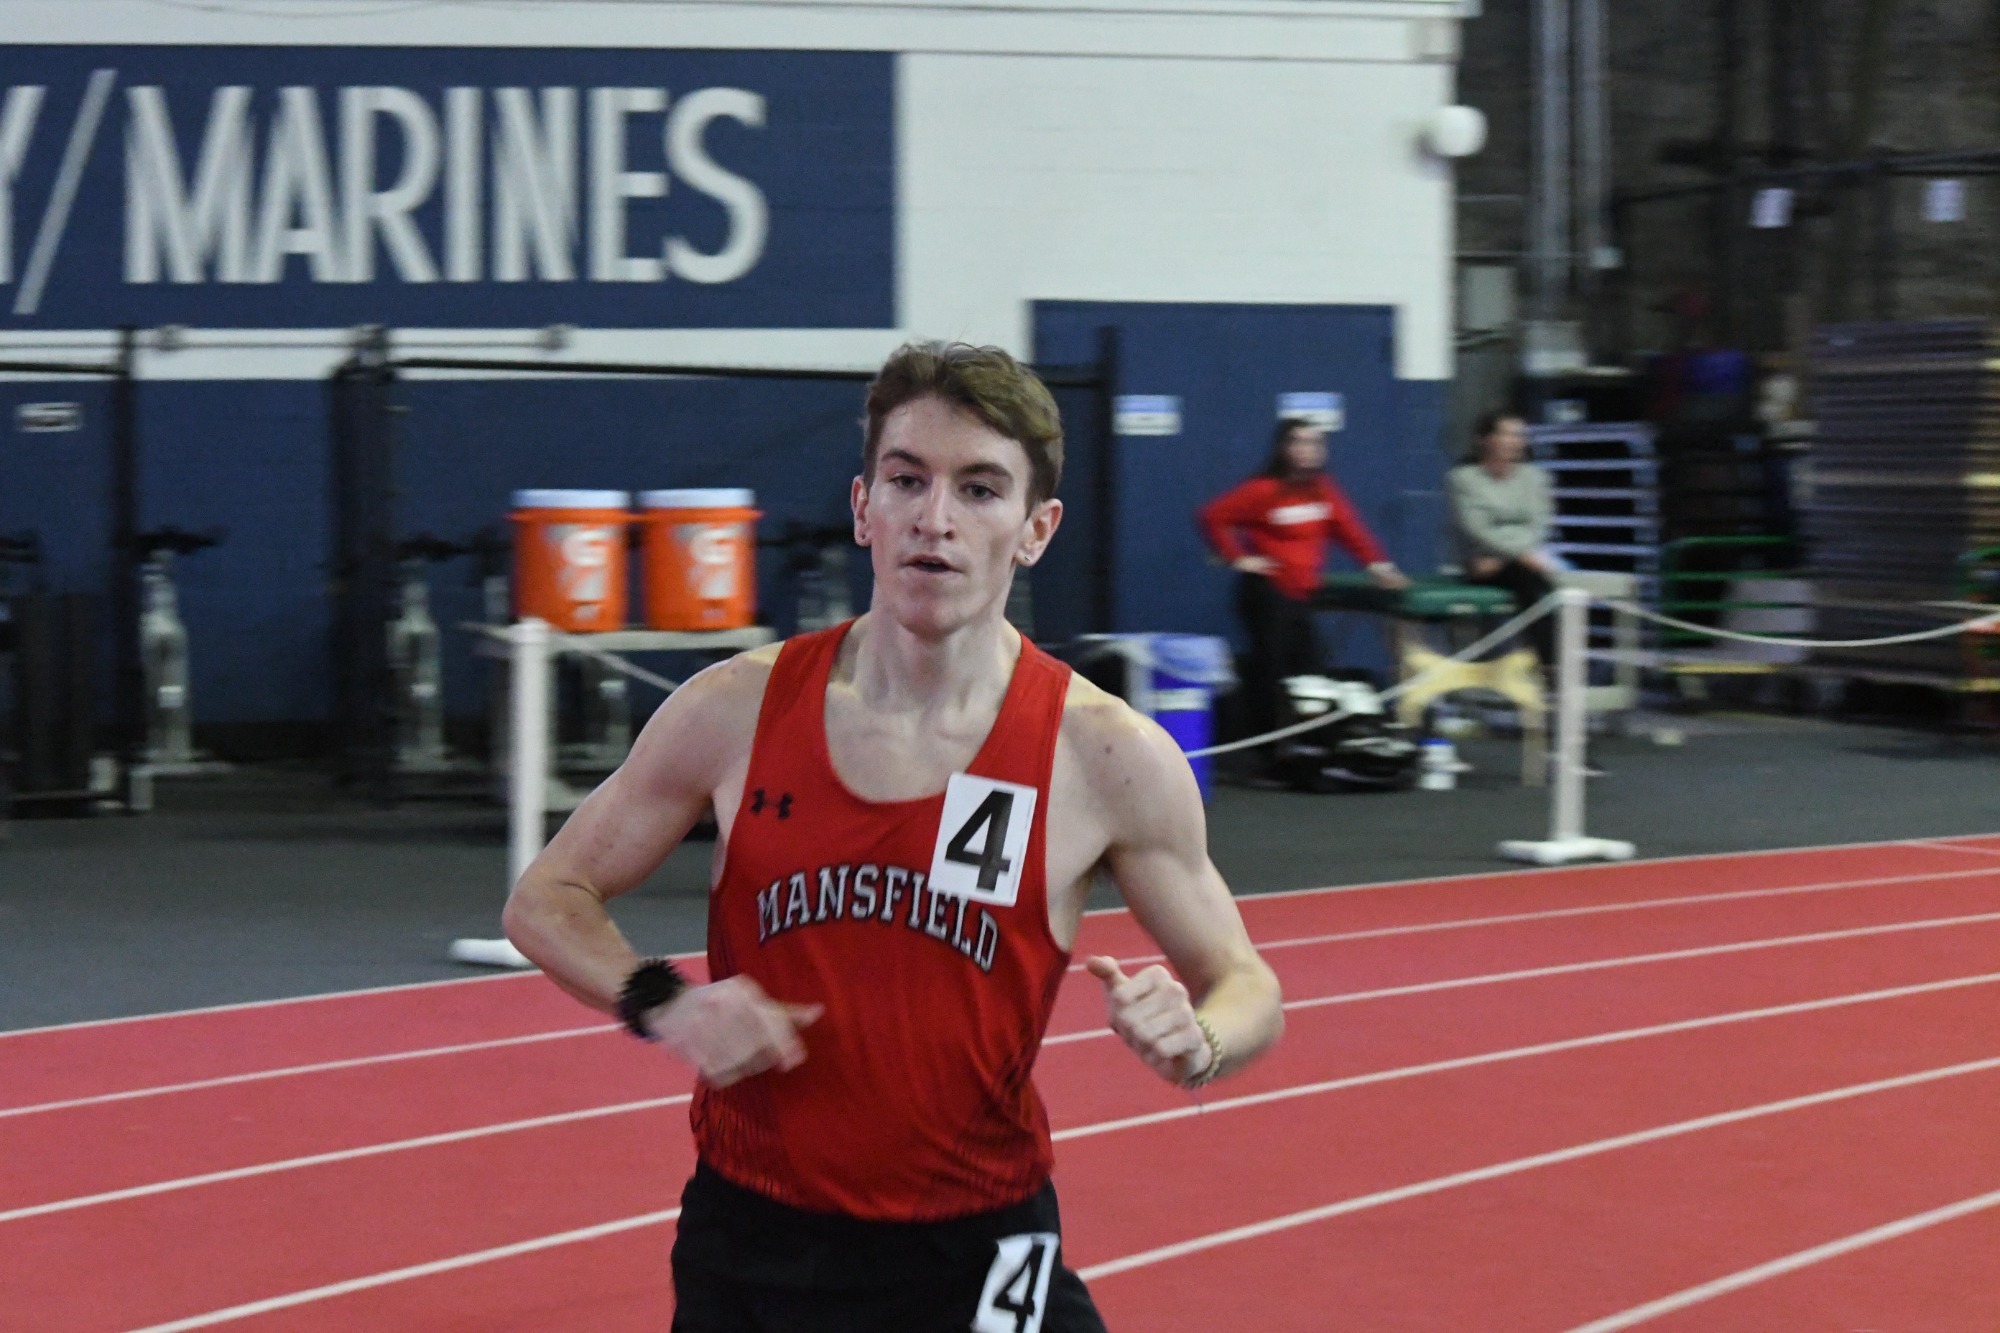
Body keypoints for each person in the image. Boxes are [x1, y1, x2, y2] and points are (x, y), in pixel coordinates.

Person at [504, 341, 1285, 1332]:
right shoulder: (735, 709)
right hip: (752, 1242)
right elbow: (546, 897)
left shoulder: (1101, 754)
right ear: (863, 505)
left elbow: (1245, 978)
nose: (936, 519)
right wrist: (664, 1001)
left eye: (979, 488)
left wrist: (1202, 1036)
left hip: (976, 1246)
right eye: (907, 480)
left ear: (1035, 529)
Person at [1198, 418, 1409, 763]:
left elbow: (1350, 530)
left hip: (1301, 596)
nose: (1307, 450)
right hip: (1266, 593)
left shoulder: (1324, 490)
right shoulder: (1263, 490)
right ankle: (1269, 751)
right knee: (1273, 671)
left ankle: (1308, 744)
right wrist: (1239, 558)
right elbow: (1212, 516)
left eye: (1314, 443)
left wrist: (1379, 566)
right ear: (1284, 448)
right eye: (1298, 442)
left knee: (1311, 668)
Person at [1447, 411, 1560, 671]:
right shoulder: (1464, 479)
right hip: (1483, 563)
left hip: (1519, 559)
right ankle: (1551, 665)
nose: (1515, 441)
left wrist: (1514, 555)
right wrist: (1519, 554)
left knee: (1540, 580)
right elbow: (1476, 529)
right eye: (1507, 434)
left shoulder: (1535, 478)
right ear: (1486, 439)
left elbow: (1539, 525)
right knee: (1531, 580)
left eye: (1520, 435)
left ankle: (1554, 661)